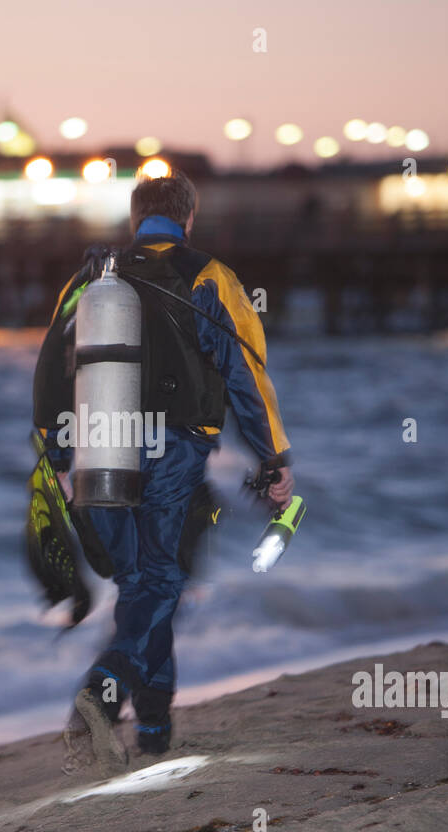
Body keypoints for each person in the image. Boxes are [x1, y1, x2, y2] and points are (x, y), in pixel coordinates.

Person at [32, 170, 294, 772]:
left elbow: (51, 368)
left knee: (144, 585)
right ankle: (102, 693)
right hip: (171, 448)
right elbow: (246, 371)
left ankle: (154, 730)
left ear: (134, 220)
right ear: (189, 219)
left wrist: (58, 457)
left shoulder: (90, 278)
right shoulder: (210, 276)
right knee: (162, 582)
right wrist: (272, 457)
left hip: (97, 446)